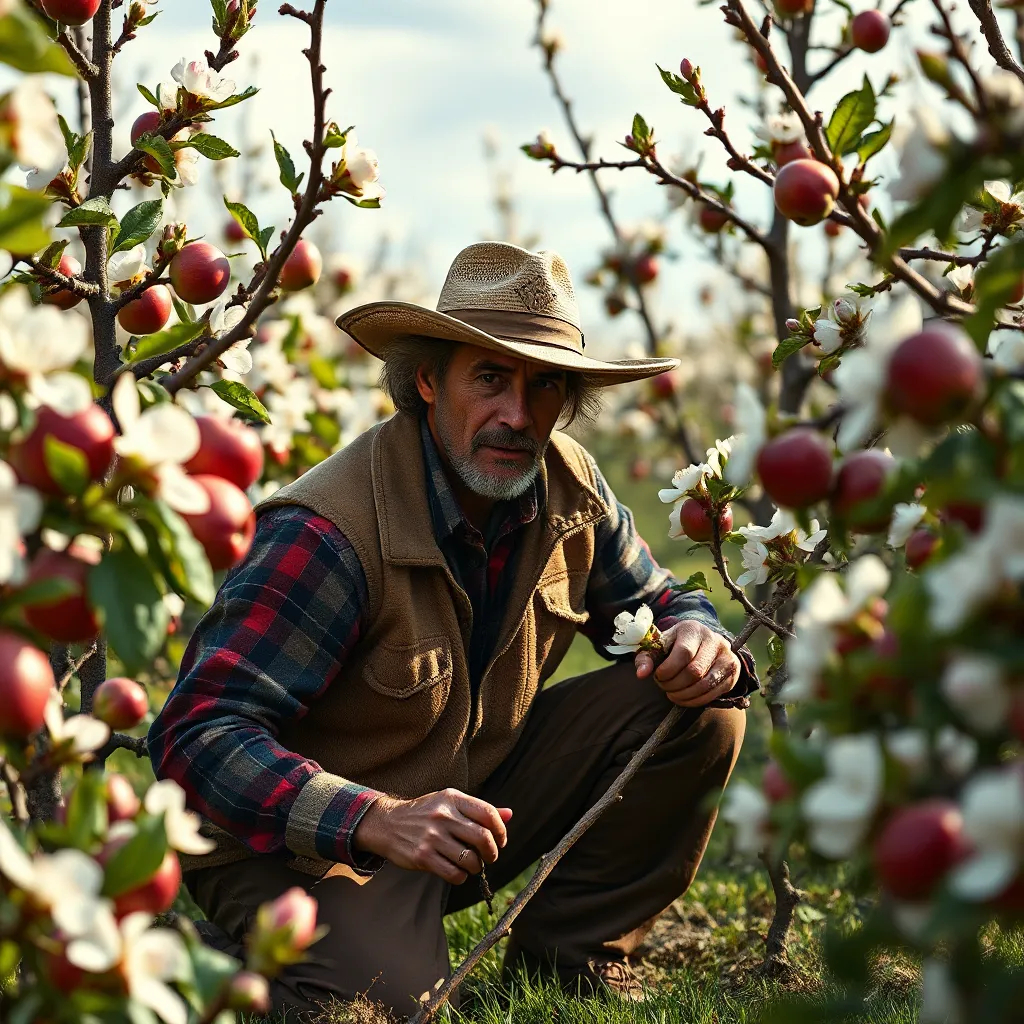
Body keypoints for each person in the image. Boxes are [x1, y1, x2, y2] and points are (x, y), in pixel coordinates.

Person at [147, 241, 757, 1021]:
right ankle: (215, 963)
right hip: (291, 846)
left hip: (463, 807)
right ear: (429, 381)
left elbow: (659, 598)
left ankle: (575, 958)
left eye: (545, 384)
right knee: (392, 1002)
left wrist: (696, 636)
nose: (518, 415)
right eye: (491, 378)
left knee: (702, 708)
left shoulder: (572, 486)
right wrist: (373, 818)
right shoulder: (329, 532)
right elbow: (197, 736)